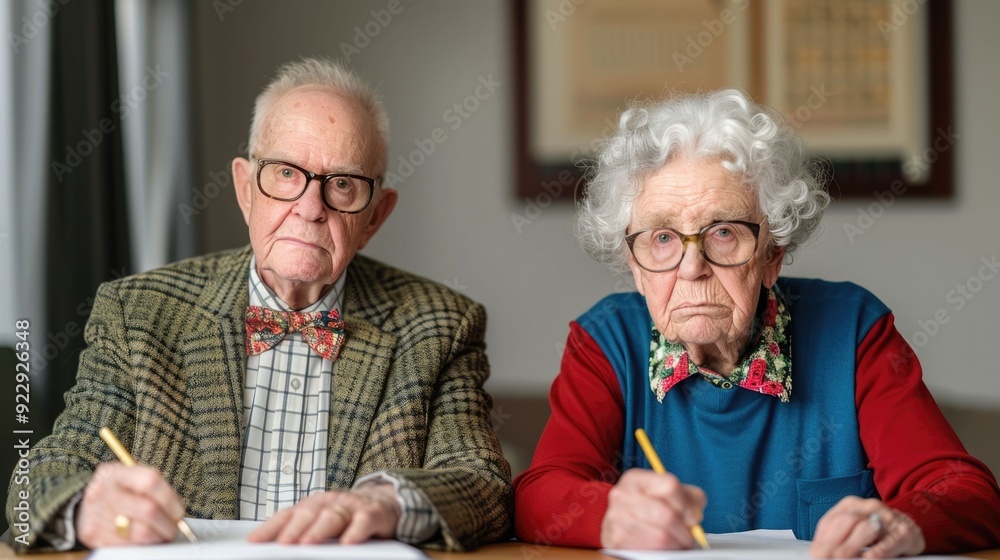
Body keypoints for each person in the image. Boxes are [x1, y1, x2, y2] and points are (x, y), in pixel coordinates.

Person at [6, 58, 511, 552]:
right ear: (246, 189)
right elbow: (36, 482)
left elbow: (483, 486)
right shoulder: (136, 312)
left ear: (375, 216)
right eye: (287, 173)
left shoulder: (441, 325)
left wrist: (390, 504)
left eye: (343, 184)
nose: (311, 209)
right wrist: (87, 506)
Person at [513, 89, 1000, 557]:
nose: (691, 267)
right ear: (635, 269)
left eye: (723, 232)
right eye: (662, 237)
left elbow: (966, 493)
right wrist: (608, 515)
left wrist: (903, 523)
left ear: (772, 256)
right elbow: (539, 497)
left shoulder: (853, 331)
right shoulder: (606, 342)